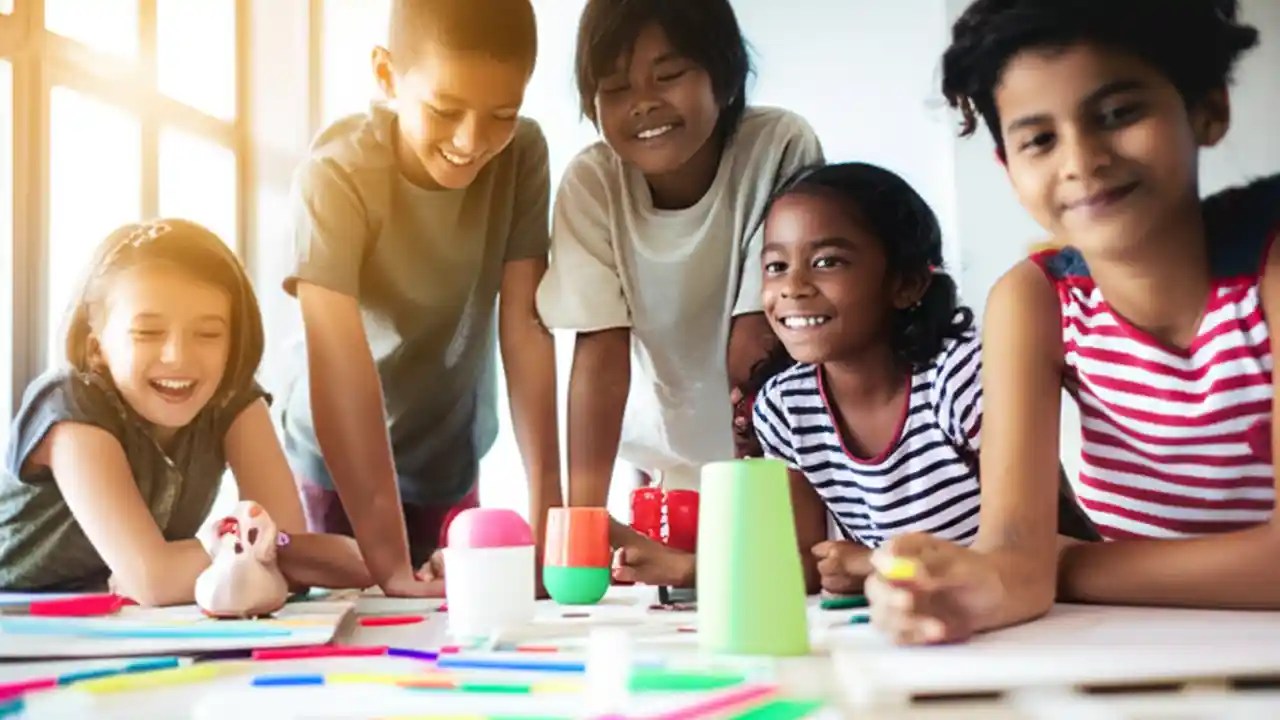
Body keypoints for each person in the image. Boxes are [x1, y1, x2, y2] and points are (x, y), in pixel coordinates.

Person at [867, 0, 1279, 645]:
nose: (1081, 159)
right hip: (1145, 648)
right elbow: (1010, 559)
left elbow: (1033, 568)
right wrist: (961, 591)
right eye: (1039, 139)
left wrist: (1063, 562)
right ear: (1008, 168)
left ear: (1207, 108)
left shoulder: (1268, 266)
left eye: (1118, 114)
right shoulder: (1034, 302)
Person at [536, 0, 823, 585]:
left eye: (668, 76)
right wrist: (584, 522)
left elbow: (758, 341)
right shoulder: (592, 184)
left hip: (769, 465)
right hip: (664, 464)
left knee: (758, 586)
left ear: (723, 72)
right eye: (616, 87)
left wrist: (754, 512)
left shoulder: (778, 147)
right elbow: (600, 353)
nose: (643, 103)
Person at [280, 0, 560, 597]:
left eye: (502, 113)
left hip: (447, 454)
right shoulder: (336, 176)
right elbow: (338, 369)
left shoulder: (522, 155)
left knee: (455, 629)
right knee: (360, 623)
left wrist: (549, 520)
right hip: (336, 463)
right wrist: (386, 564)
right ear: (386, 76)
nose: (472, 140)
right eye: (445, 109)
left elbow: (526, 327)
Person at [0, 220, 371, 604]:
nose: (178, 357)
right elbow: (155, 580)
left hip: (118, 619)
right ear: (97, 348)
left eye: (208, 334)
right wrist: (253, 551)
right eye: (147, 333)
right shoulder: (71, 407)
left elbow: (290, 551)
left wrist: (272, 552)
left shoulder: (231, 398)